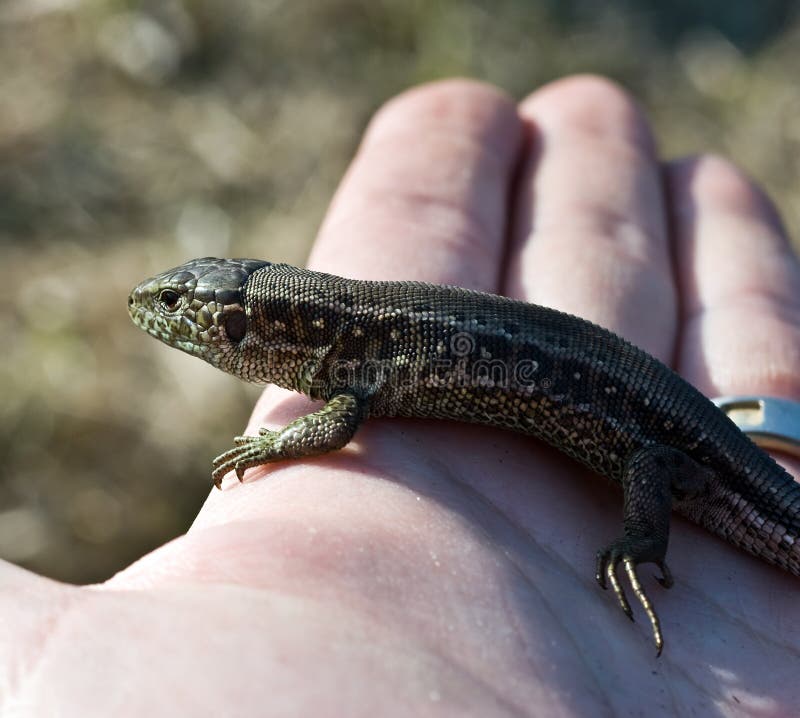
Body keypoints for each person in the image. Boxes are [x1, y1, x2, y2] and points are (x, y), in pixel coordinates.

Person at [2, 76, 798, 715]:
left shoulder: (344, 369)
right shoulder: (346, 346)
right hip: (662, 427)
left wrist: (276, 443)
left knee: (646, 466)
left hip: (684, 456)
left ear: (247, 328)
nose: (157, 307)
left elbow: (339, 425)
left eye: (184, 308)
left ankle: (641, 547)